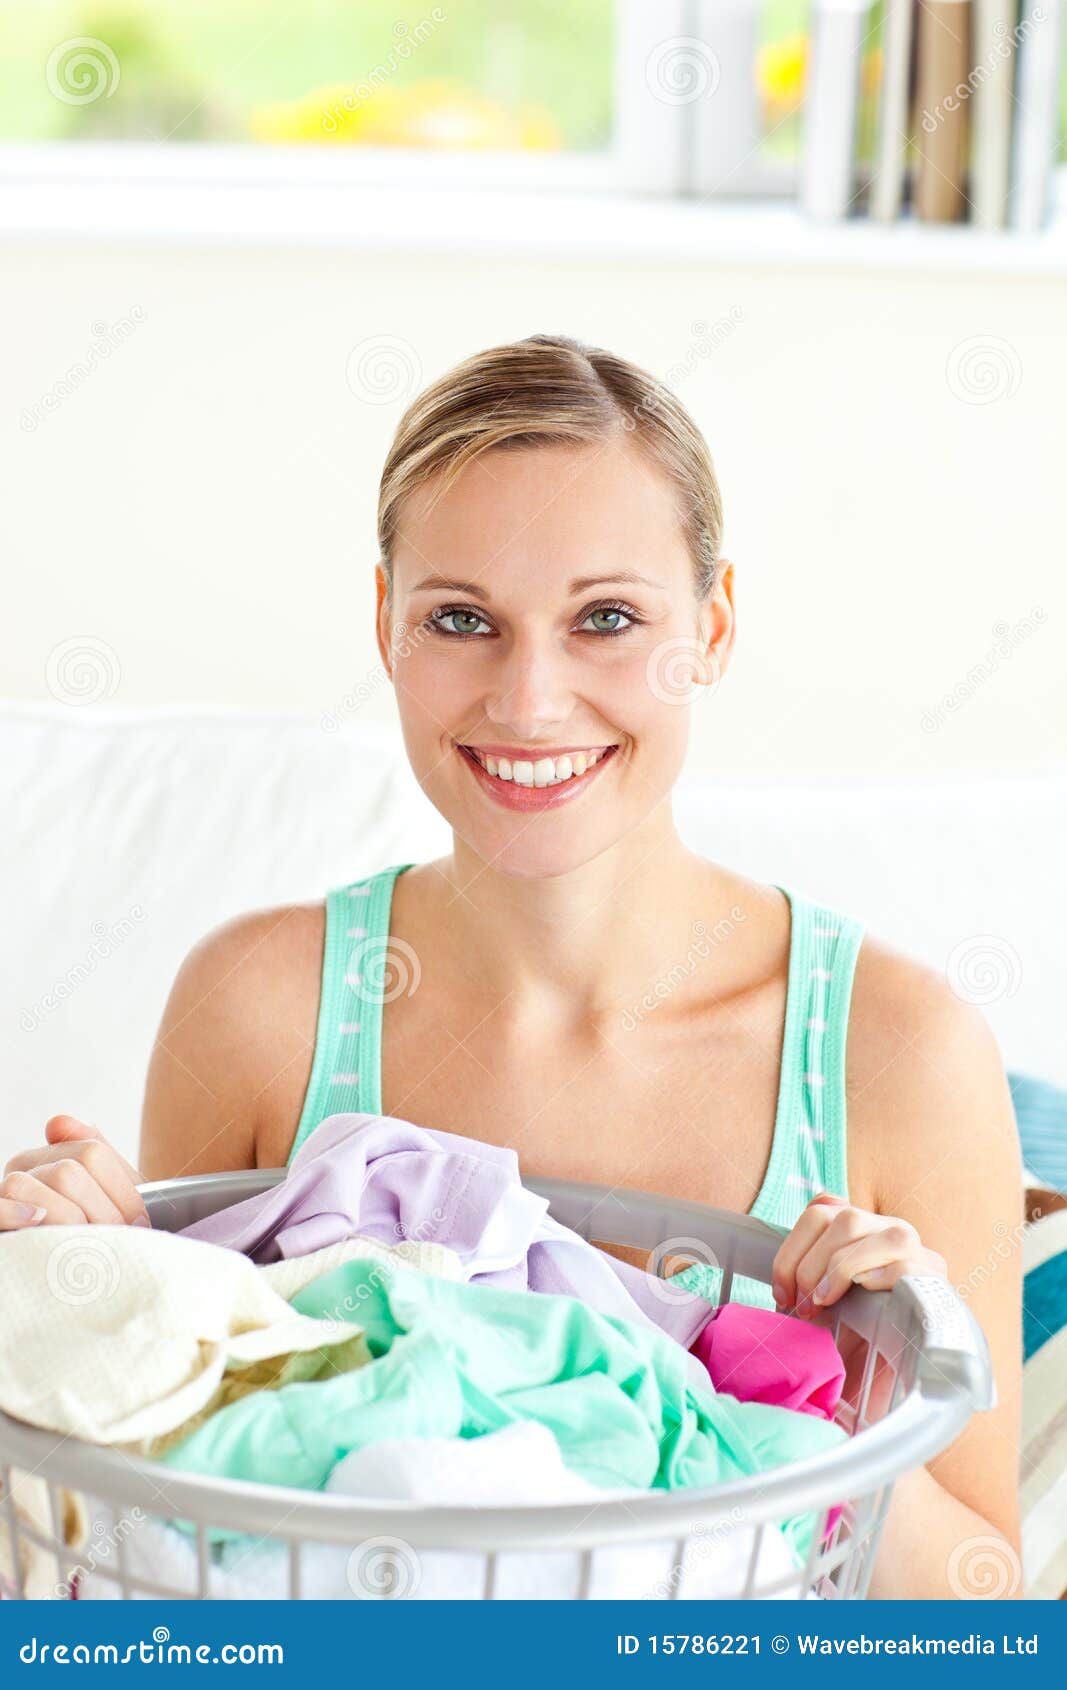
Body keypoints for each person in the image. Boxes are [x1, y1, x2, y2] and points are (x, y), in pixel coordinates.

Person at [3, 335, 1022, 1598]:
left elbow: (988, 1613)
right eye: (461, 620)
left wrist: (837, 1395)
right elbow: (173, 1492)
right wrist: (85, 1278)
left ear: (709, 627)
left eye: (605, 618)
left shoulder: (899, 1051)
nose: (530, 701)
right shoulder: (260, 1007)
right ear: (384, 624)